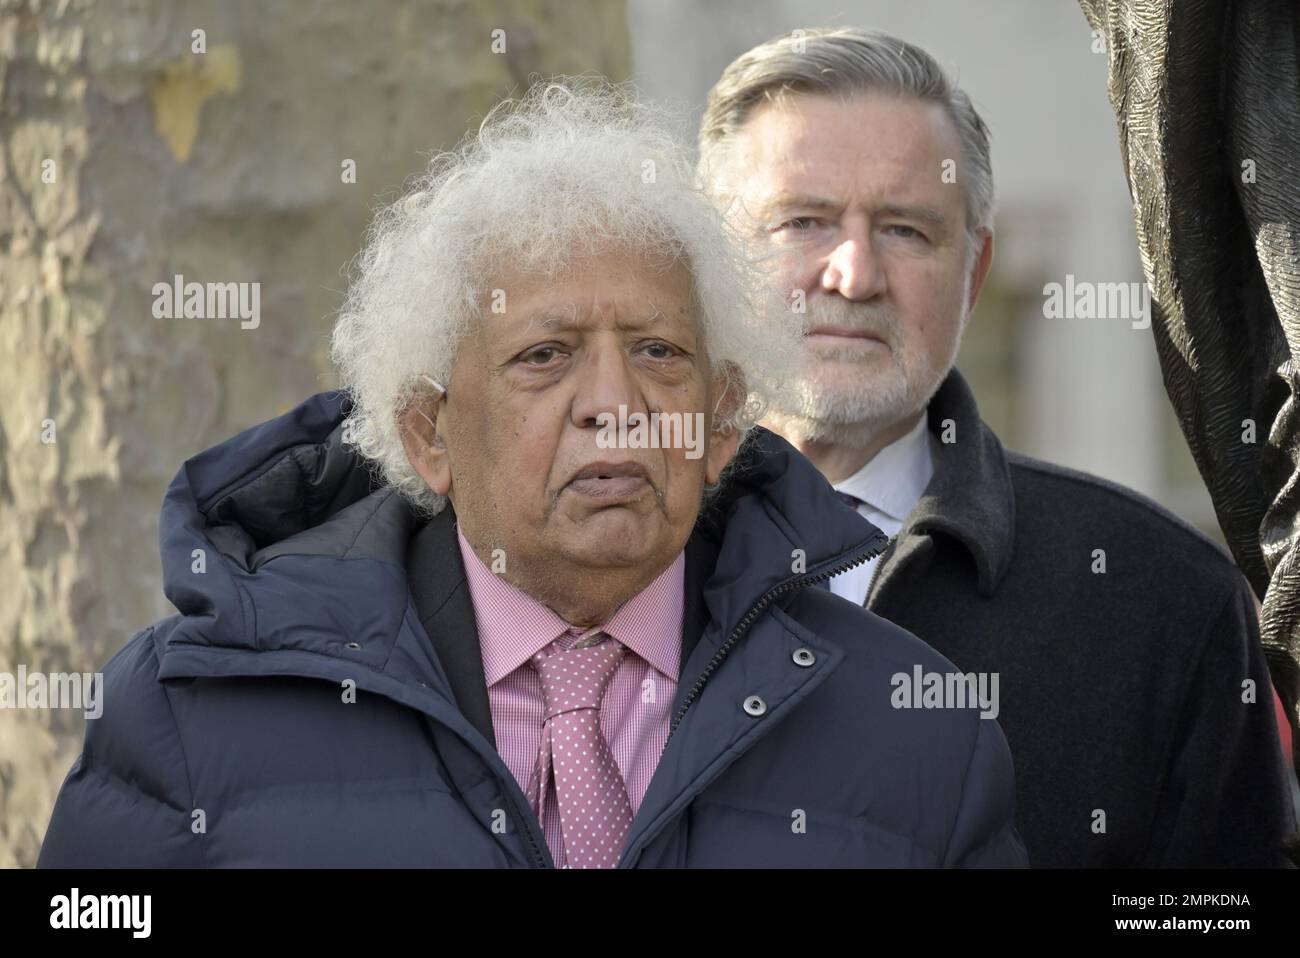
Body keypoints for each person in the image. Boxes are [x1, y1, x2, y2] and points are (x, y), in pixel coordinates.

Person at [36, 80, 1026, 868]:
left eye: (658, 353)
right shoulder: (191, 710)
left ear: (723, 425)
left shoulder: (911, 729)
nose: (613, 402)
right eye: (542, 356)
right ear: (428, 432)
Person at [698, 27, 1296, 867]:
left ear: (975, 273)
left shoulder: (1163, 599)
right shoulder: (604, 561)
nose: (854, 273)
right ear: (706, 264)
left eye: (906, 230)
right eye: (803, 221)